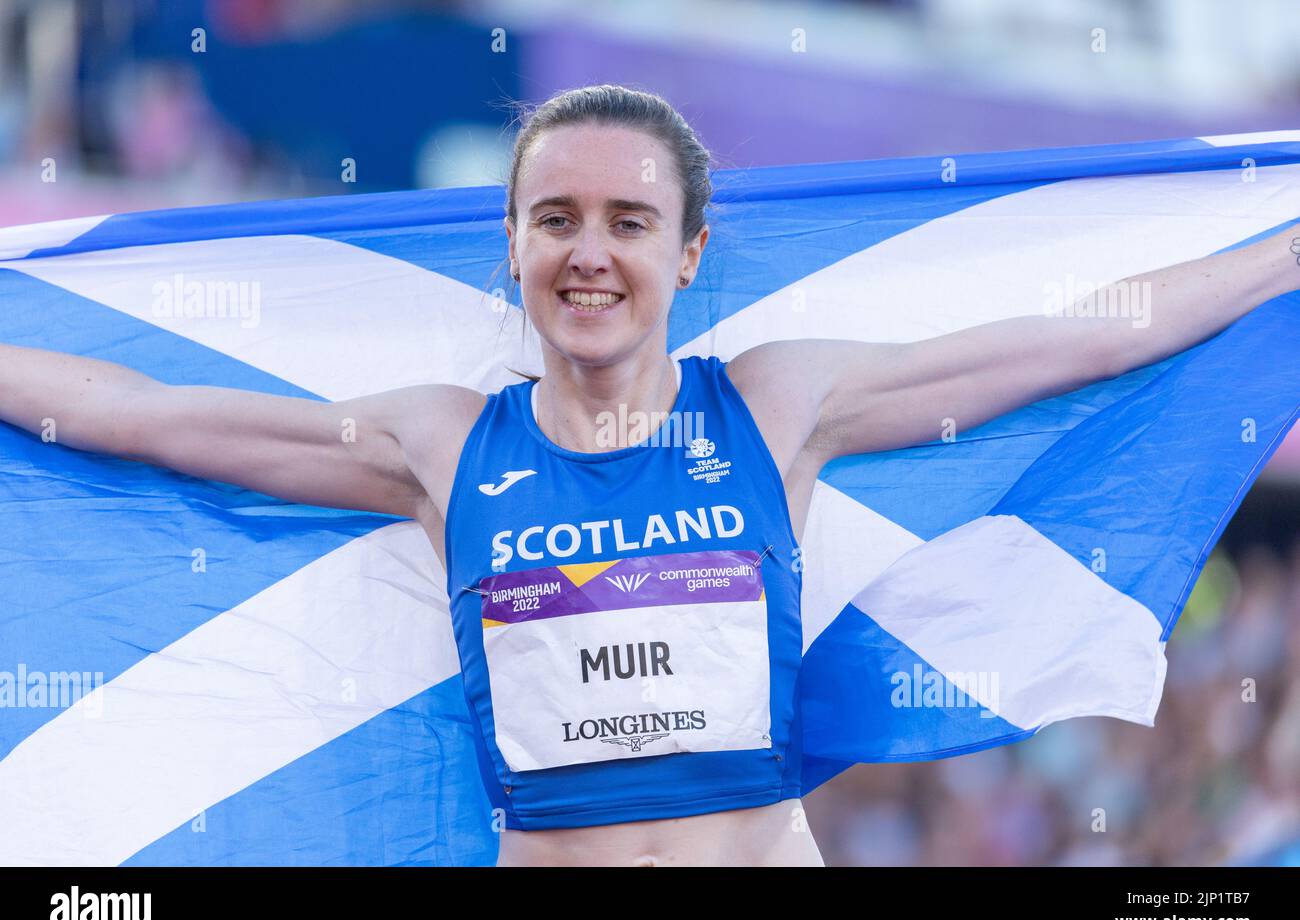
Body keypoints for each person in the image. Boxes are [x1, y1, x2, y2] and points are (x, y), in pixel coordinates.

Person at [1, 84, 1296, 867]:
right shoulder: (442, 445)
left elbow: (1087, 336)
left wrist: (1278, 254)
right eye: (555, 219)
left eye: (630, 221)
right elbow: (146, 416)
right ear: (511, 244)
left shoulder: (783, 406)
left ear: (687, 256)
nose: (590, 253)